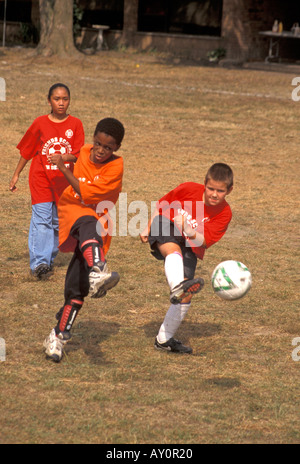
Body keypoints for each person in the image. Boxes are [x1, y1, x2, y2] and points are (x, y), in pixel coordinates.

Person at [43, 117, 125, 362]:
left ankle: (57, 336)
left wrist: (62, 167)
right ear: (94, 139)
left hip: (96, 221)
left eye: (108, 148)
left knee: (77, 291)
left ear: (116, 149)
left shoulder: (115, 168)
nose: (100, 150)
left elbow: (84, 191)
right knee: (87, 223)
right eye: (98, 143)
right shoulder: (87, 150)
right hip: (73, 211)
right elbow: (80, 155)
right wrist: (68, 158)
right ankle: (99, 270)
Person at [140, 163, 233, 354]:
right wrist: (148, 226)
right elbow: (163, 204)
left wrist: (190, 230)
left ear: (229, 190)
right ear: (204, 184)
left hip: (190, 245)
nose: (214, 194)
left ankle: (164, 339)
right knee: (173, 249)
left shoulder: (224, 213)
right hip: (166, 226)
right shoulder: (188, 189)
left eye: (220, 191)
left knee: (187, 293)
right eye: (211, 189)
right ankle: (177, 286)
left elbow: (205, 241)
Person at [9, 83, 85, 279]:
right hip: (41, 179)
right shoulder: (40, 123)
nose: (61, 103)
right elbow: (27, 150)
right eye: (57, 99)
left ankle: (47, 259)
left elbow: (78, 154)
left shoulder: (76, 124)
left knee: (57, 223)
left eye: (65, 99)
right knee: (42, 221)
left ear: (69, 101)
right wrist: (17, 173)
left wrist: (64, 159)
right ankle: (40, 263)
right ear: (49, 101)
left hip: (64, 182)